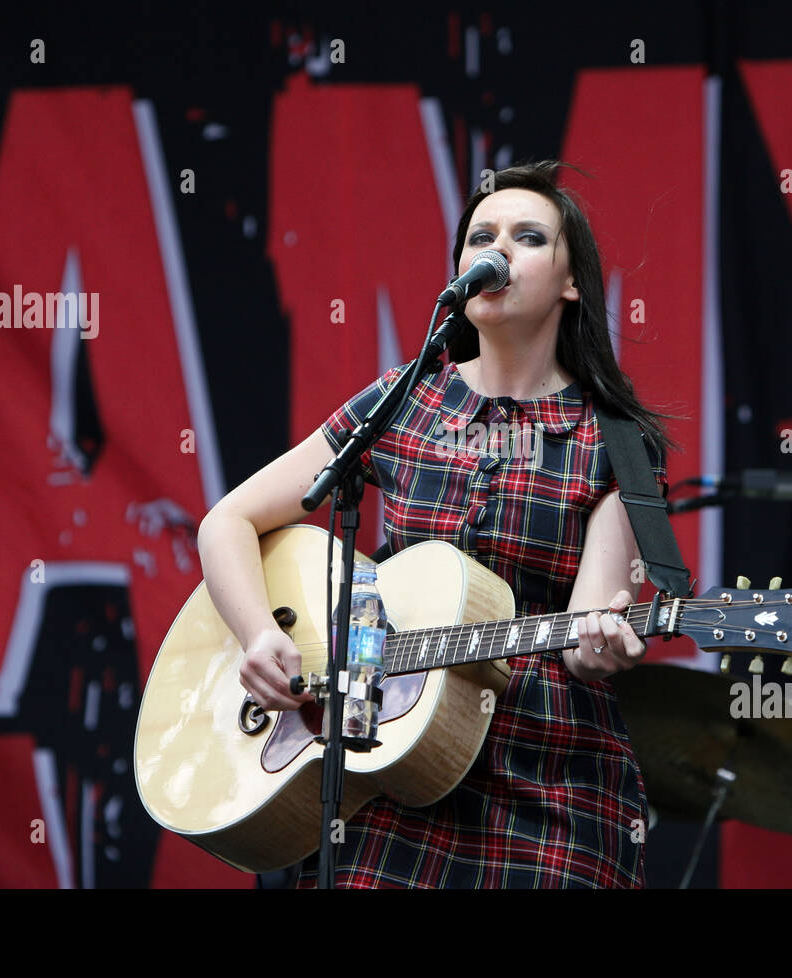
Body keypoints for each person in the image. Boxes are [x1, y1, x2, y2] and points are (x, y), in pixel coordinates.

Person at [195, 161, 674, 888]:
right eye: (483, 235)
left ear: (572, 284)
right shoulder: (404, 401)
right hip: (390, 771)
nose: (498, 249)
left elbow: (586, 633)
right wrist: (260, 632)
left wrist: (604, 642)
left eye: (529, 236)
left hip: (549, 782)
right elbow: (228, 520)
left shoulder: (615, 444)